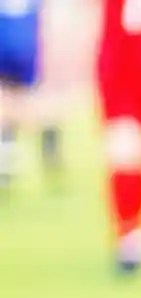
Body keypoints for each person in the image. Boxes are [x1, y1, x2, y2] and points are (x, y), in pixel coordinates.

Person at [97, 0, 141, 273]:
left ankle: (135, 230)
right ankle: (128, 234)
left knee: (138, 157)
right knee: (123, 151)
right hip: (118, 70)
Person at [0, 0, 60, 191]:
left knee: (12, 101)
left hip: (16, 41)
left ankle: (9, 158)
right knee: (18, 100)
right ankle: (48, 143)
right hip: (23, 42)